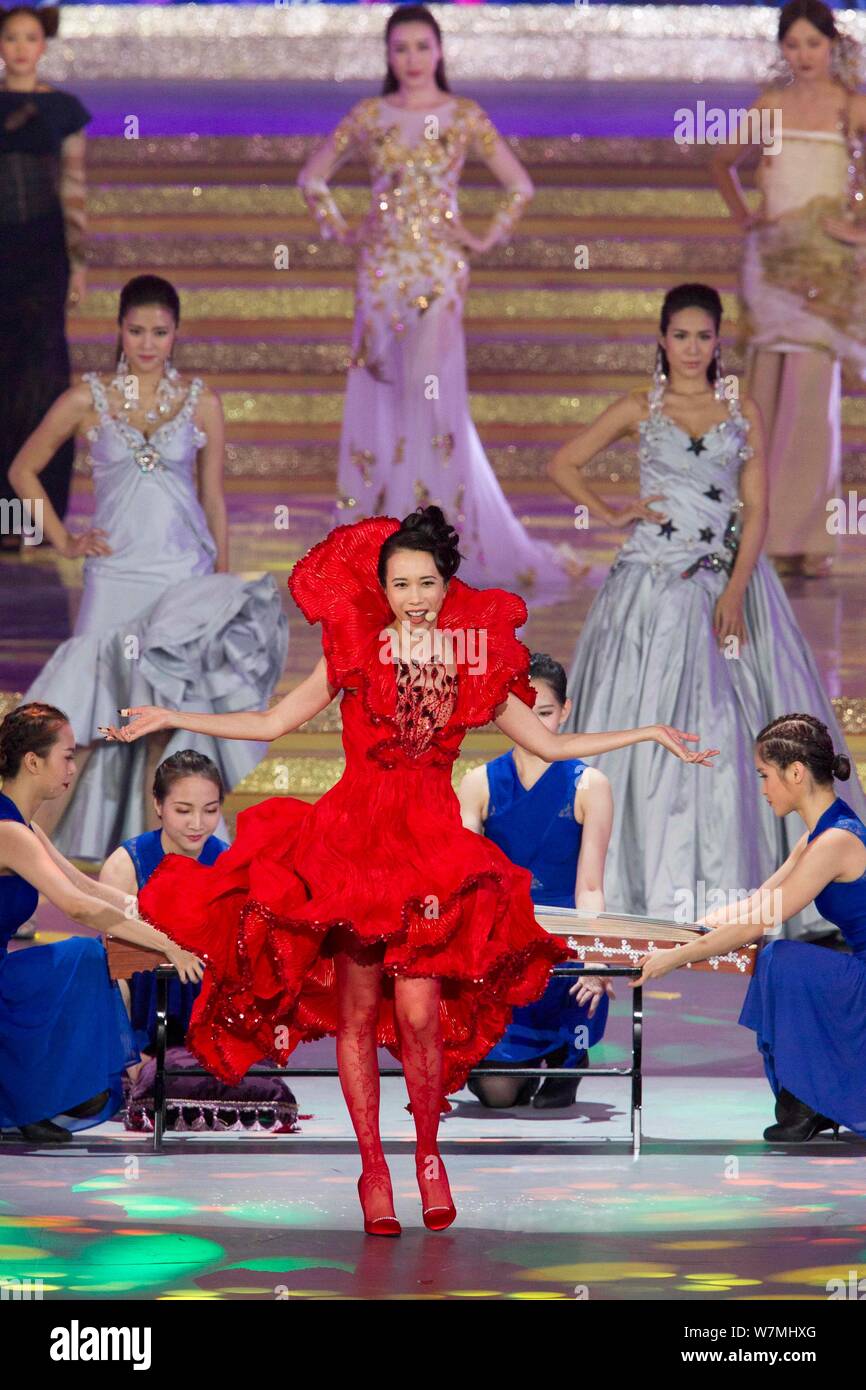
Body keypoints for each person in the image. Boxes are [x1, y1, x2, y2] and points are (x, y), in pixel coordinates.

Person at [99, 505, 716, 1234]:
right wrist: (174, 716)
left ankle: (428, 1152)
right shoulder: (355, 649)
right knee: (359, 1015)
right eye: (400, 583)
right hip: (353, 848)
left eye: (426, 581)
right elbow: (271, 723)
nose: (415, 595)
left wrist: (649, 732)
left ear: (445, 583)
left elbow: (551, 746)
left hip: (429, 852)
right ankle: (373, 1170)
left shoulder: (470, 660)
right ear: (382, 588)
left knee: (420, 1012)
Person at [549, 282, 866, 941]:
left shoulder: (739, 407)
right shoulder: (641, 407)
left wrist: (734, 589)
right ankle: (636, 886)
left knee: (730, 720)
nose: (692, 348)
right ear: (662, 340)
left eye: (704, 336)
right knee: (646, 724)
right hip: (649, 588)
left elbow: (757, 511)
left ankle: (748, 884)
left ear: (719, 341)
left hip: (730, 585)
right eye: (681, 335)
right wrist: (614, 512)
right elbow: (565, 462)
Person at [297, 4, 581, 598]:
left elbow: (520, 185)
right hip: (380, 271)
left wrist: (480, 237)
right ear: (388, 55)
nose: (412, 59)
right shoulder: (370, 116)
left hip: (440, 272)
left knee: (431, 395)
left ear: (440, 51)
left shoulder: (464, 116)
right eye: (400, 49)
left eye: (422, 47)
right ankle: (378, 540)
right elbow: (312, 176)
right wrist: (345, 230)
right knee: (382, 389)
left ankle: (430, 540)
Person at [8, 274, 288, 861]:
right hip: (114, 576)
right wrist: (63, 540)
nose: (147, 342)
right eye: (136, 330)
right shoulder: (88, 398)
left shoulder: (201, 402)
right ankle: (28, 866)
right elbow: (23, 469)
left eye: (160, 331)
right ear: (119, 330)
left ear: (176, 333)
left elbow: (213, 498)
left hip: (181, 577)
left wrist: (220, 588)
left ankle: (154, 871)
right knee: (77, 723)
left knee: (161, 726)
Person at [632, 713, 866, 1144]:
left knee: (780, 958)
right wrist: (684, 931)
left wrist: (674, 960)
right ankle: (806, 1100)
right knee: (780, 957)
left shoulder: (836, 840)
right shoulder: (821, 831)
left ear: (795, 773)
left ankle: (808, 1100)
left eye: (764, 776)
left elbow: (760, 921)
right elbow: (759, 900)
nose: (761, 789)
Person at [0, 702, 203, 1145]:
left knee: (83, 956)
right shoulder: (8, 831)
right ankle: (37, 1094)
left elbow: (86, 886)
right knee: (85, 955)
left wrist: (168, 915)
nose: (74, 765)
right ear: (33, 762)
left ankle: (34, 1096)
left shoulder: (24, 826)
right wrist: (166, 944)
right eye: (68, 755)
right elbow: (79, 906)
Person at [711, 0, 866, 578]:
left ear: (833, 45)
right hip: (771, 270)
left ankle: (807, 540)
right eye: (793, 45)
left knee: (810, 400)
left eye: (813, 44)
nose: (803, 56)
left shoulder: (850, 108)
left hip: (826, 272)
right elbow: (723, 161)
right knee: (766, 400)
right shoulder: (771, 107)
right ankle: (763, 535)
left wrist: (856, 227)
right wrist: (746, 217)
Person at [458, 652, 614, 1109]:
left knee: (577, 994)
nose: (531, 726)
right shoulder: (478, 782)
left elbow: (589, 886)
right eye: (519, 713)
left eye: (543, 713)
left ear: (565, 711)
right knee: (497, 1095)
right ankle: (519, 1060)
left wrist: (595, 956)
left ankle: (569, 1055)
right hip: (503, 947)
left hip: (564, 946)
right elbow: (469, 885)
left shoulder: (591, 785)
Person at [0, 5, 90, 548]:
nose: (19, 47)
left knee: (40, 377)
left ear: (43, 45)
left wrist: (79, 262)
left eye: (30, 38)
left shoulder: (62, 110)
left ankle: (35, 518)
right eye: (10, 37)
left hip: (41, 255)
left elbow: (75, 190)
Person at [100, 749, 230, 1064]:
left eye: (210, 810)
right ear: (158, 805)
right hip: (141, 990)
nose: (197, 824)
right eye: (183, 810)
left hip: (203, 992)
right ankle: (132, 1061)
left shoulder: (227, 862)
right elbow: (116, 952)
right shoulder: (125, 865)